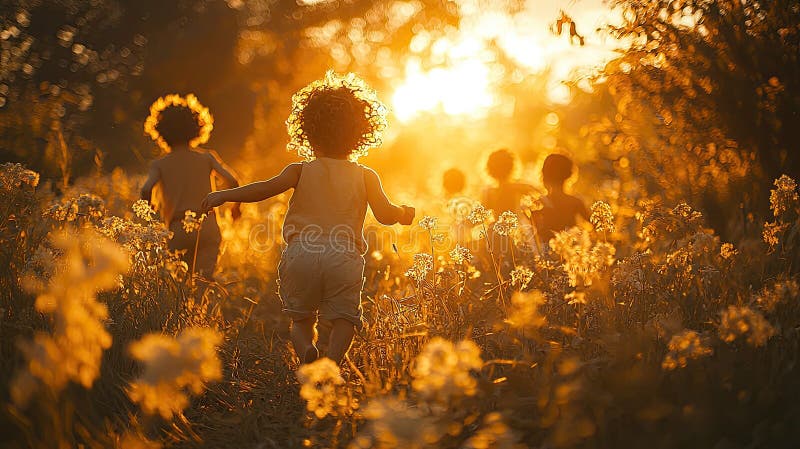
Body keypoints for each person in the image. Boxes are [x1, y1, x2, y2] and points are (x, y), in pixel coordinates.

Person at [202, 72, 415, 365]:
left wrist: (226, 195)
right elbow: (385, 214)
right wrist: (403, 213)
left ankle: (307, 352)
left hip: (302, 252)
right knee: (345, 319)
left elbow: (264, 189)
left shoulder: (299, 170)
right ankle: (333, 365)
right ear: (360, 134)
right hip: (344, 255)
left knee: (301, 321)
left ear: (308, 131)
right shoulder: (366, 176)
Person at [140, 94, 240, 278]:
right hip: (207, 226)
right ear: (197, 127)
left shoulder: (160, 165)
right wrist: (235, 208)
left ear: (161, 131)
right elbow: (232, 182)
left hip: (177, 229)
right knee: (203, 282)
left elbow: (146, 190)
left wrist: (151, 215)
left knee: (178, 286)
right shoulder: (207, 158)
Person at [532, 153, 588, 242]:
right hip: (571, 253)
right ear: (569, 175)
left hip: (545, 254)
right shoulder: (575, 202)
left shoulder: (536, 204)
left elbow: (532, 235)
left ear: (544, 174)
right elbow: (597, 227)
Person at [481, 148, 533, 216]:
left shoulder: (488, 193)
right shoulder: (522, 188)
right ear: (512, 167)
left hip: (496, 226)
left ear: (489, 169)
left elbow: (480, 218)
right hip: (518, 226)